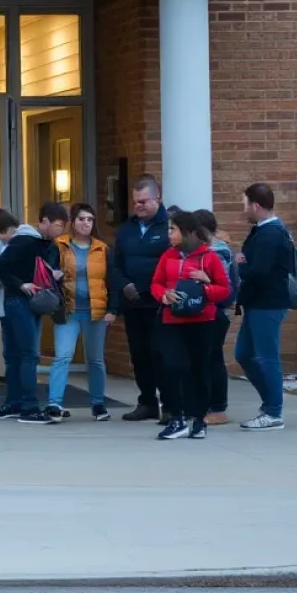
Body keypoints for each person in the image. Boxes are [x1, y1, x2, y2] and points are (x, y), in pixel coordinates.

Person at [150, 210, 230, 440]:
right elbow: (155, 283)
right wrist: (164, 295)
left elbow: (225, 290)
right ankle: (177, 418)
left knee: (200, 369)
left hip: (202, 321)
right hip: (172, 321)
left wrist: (206, 285)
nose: (169, 234)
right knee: (173, 367)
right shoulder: (168, 256)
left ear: (188, 232)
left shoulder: (209, 257)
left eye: (173, 229)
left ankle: (198, 419)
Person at [0, 203, 69, 425]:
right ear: (44, 221)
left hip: (28, 302)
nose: (60, 230)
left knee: (16, 354)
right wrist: (20, 284)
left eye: (63, 226)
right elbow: (0, 265)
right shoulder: (25, 241)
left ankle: (14, 403)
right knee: (28, 354)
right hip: (18, 301)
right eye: (58, 225)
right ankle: (29, 407)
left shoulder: (47, 244)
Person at [47, 204, 119, 423]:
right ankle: (55, 403)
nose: (86, 223)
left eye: (89, 219)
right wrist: (54, 275)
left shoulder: (102, 249)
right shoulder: (59, 245)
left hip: (95, 312)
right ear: (73, 222)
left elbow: (112, 281)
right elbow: (46, 272)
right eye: (81, 219)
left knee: (95, 359)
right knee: (63, 357)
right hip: (67, 310)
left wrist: (113, 309)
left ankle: (98, 403)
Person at [113, 174, 171, 422]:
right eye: (136, 201)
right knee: (139, 355)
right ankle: (147, 402)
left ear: (158, 198)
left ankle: (170, 404)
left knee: (163, 354)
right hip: (134, 303)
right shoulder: (127, 229)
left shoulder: (169, 227)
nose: (138, 206)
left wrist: (152, 287)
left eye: (144, 201)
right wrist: (124, 284)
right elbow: (115, 264)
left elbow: (174, 263)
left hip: (159, 303)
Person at [234, 183, 291, 430]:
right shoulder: (262, 230)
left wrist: (240, 264)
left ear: (256, 206)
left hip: (268, 303)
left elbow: (259, 272)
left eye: (245, 204)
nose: (243, 209)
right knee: (243, 354)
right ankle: (269, 404)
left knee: (267, 357)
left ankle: (274, 412)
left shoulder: (271, 233)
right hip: (257, 302)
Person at [194, 209, 237, 425]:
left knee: (213, 359)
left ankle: (218, 408)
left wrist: (202, 279)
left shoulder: (218, 252)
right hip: (204, 312)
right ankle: (205, 405)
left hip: (215, 312)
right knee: (205, 358)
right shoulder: (205, 250)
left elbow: (222, 287)